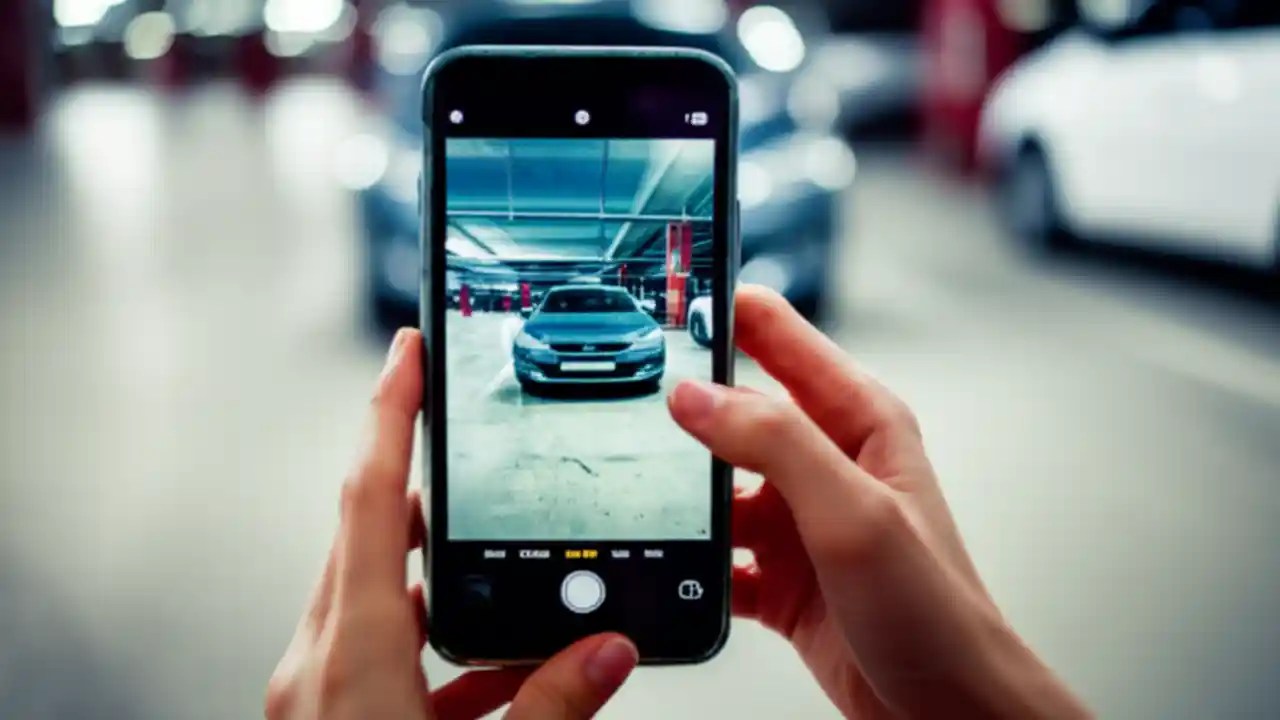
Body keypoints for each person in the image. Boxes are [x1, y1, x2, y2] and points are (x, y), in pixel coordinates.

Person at [266, 285, 1091, 719]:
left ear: (648, 331)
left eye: (633, 338)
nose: (603, 337)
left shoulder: (636, 323)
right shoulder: (540, 323)